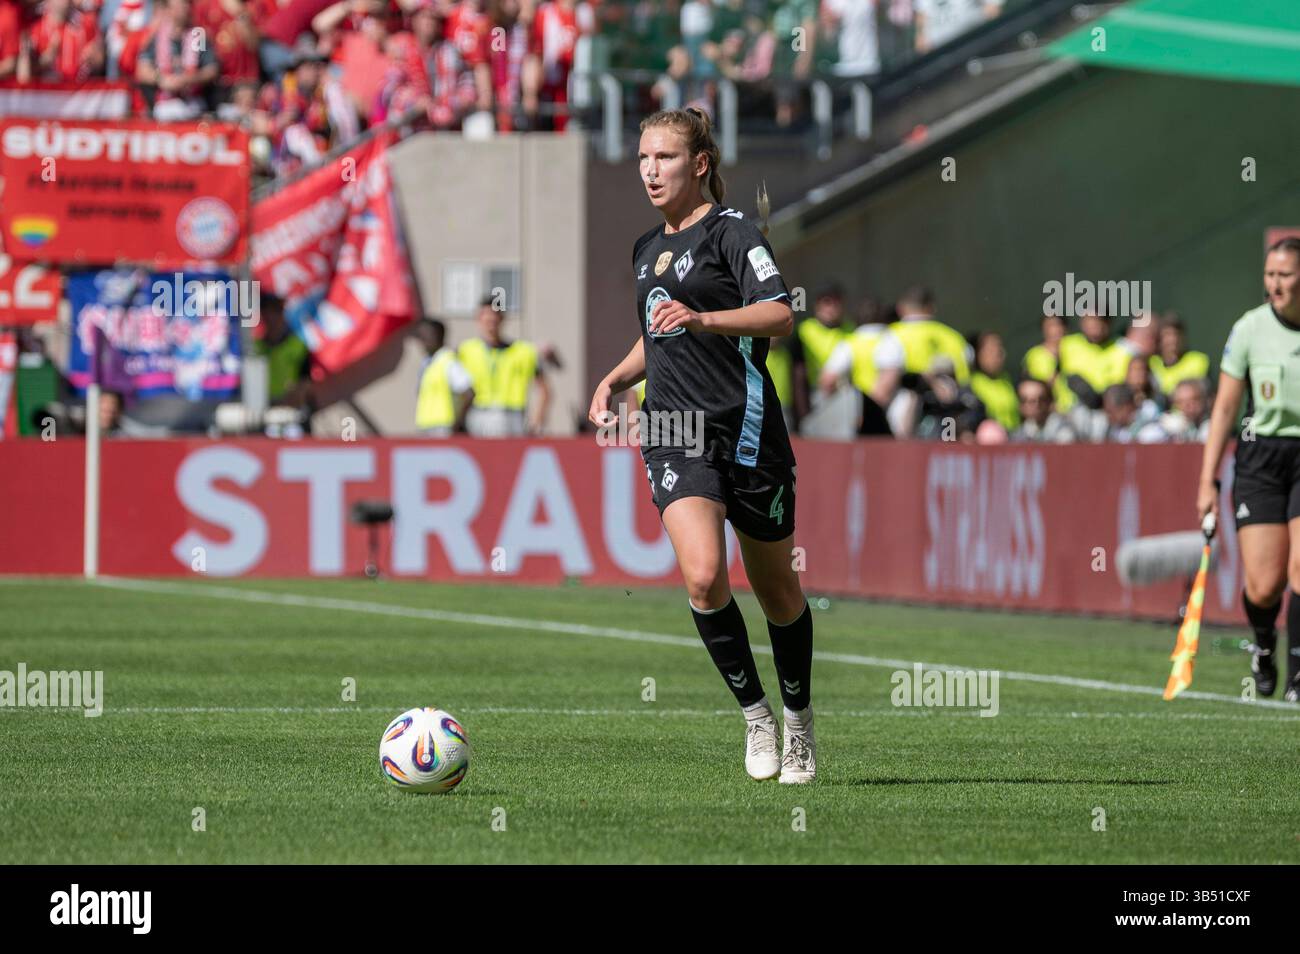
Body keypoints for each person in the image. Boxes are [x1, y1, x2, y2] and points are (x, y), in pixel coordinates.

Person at [587, 107, 816, 783]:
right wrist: (613, 379)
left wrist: (703, 317)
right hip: (671, 431)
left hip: (746, 430)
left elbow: (780, 313)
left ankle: (799, 722)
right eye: (643, 159)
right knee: (704, 575)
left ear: (699, 165)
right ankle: (755, 716)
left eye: (663, 158)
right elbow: (656, 333)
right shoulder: (643, 248)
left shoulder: (733, 232)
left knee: (777, 590)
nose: (650, 171)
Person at [1198, 237, 1300, 700]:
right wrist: (1207, 480)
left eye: (1285, 275)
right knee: (1263, 587)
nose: (1275, 284)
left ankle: (1298, 678)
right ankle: (1263, 646)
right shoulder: (1249, 329)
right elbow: (1224, 409)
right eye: (1270, 275)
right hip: (1260, 460)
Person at [458, 297, 550, 436]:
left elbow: (544, 389)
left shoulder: (523, 351)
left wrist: (537, 421)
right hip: (478, 413)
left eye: (494, 318)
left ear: (502, 318)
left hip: (512, 415)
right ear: (478, 319)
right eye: (486, 318)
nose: (490, 323)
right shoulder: (466, 350)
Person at [414, 317, 474, 436]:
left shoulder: (448, 362)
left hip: (444, 427)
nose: (423, 340)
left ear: (440, 336)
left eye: (428, 335)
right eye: (421, 336)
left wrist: (458, 422)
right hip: (426, 425)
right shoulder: (427, 363)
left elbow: (468, 393)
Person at [968, 331, 1018, 432]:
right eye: (991, 350)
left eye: (1000, 350)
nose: (998, 355)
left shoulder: (1006, 379)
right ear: (977, 354)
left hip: (1013, 439)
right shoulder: (972, 383)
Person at [1150, 313, 1210, 397]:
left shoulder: (1198, 361)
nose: (1173, 339)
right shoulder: (1151, 363)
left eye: (1176, 334)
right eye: (1167, 334)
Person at [1010, 377, 1075, 443]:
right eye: (1025, 400)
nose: (1035, 405)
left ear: (1050, 402)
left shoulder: (1064, 430)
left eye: (1040, 399)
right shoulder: (1019, 434)